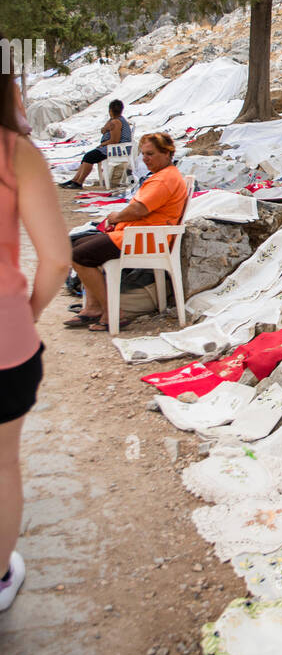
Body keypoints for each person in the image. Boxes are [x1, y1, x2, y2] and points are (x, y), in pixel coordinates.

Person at [0, 54, 71, 612]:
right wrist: (26, 311)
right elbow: (55, 258)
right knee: (3, 464)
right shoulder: (15, 153)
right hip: (4, 337)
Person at [68, 132, 187, 330]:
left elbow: (139, 209)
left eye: (150, 154)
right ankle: (92, 307)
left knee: (79, 255)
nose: (145, 159)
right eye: (143, 154)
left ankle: (112, 312)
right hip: (139, 234)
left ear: (167, 154)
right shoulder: (164, 175)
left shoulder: (164, 179)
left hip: (143, 239)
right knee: (78, 246)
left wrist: (115, 217)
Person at [60, 99, 132, 190]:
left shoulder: (116, 122)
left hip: (116, 149)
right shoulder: (115, 120)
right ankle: (75, 180)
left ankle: (79, 181)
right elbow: (104, 130)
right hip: (113, 147)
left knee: (89, 157)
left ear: (110, 110)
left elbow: (114, 140)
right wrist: (106, 128)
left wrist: (103, 144)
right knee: (87, 156)